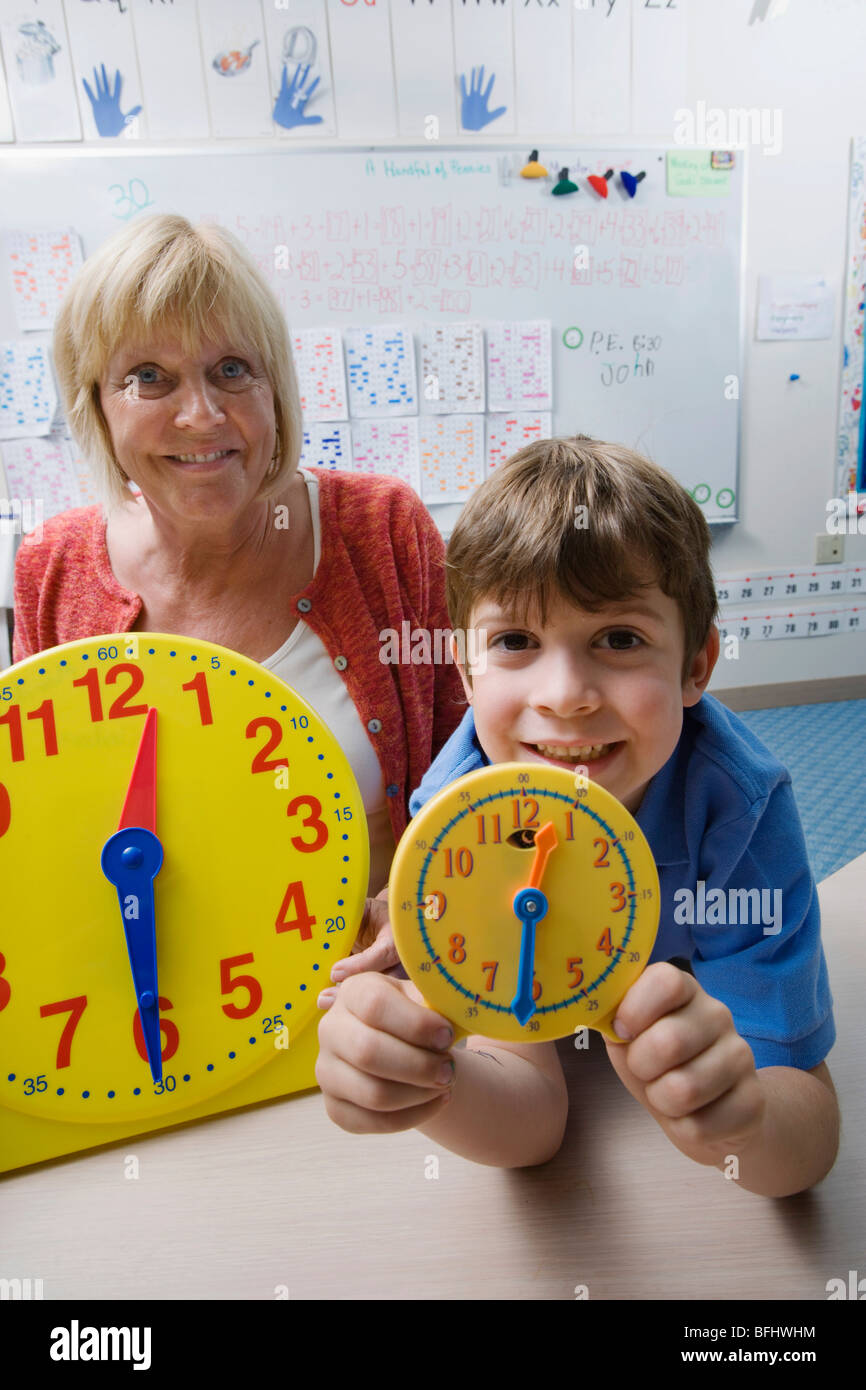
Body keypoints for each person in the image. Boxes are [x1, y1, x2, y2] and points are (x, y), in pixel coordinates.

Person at [315, 437, 840, 1194]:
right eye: (516, 642)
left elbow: (807, 1144)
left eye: (619, 639)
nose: (565, 695)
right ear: (466, 669)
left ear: (696, 666)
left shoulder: (741, 813)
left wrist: (745, 1121)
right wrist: (428, 1078)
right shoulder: (455, 821)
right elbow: (533, 1127)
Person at [11, 213, 466, 904]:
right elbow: (45, 821)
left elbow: (469, 769)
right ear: (96, 406)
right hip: (154, 995)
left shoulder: (382, 531)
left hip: (372, 998)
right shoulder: (53, 567)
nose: (202, 415)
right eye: (149, 377)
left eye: (231, 370)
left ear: (274, 391)